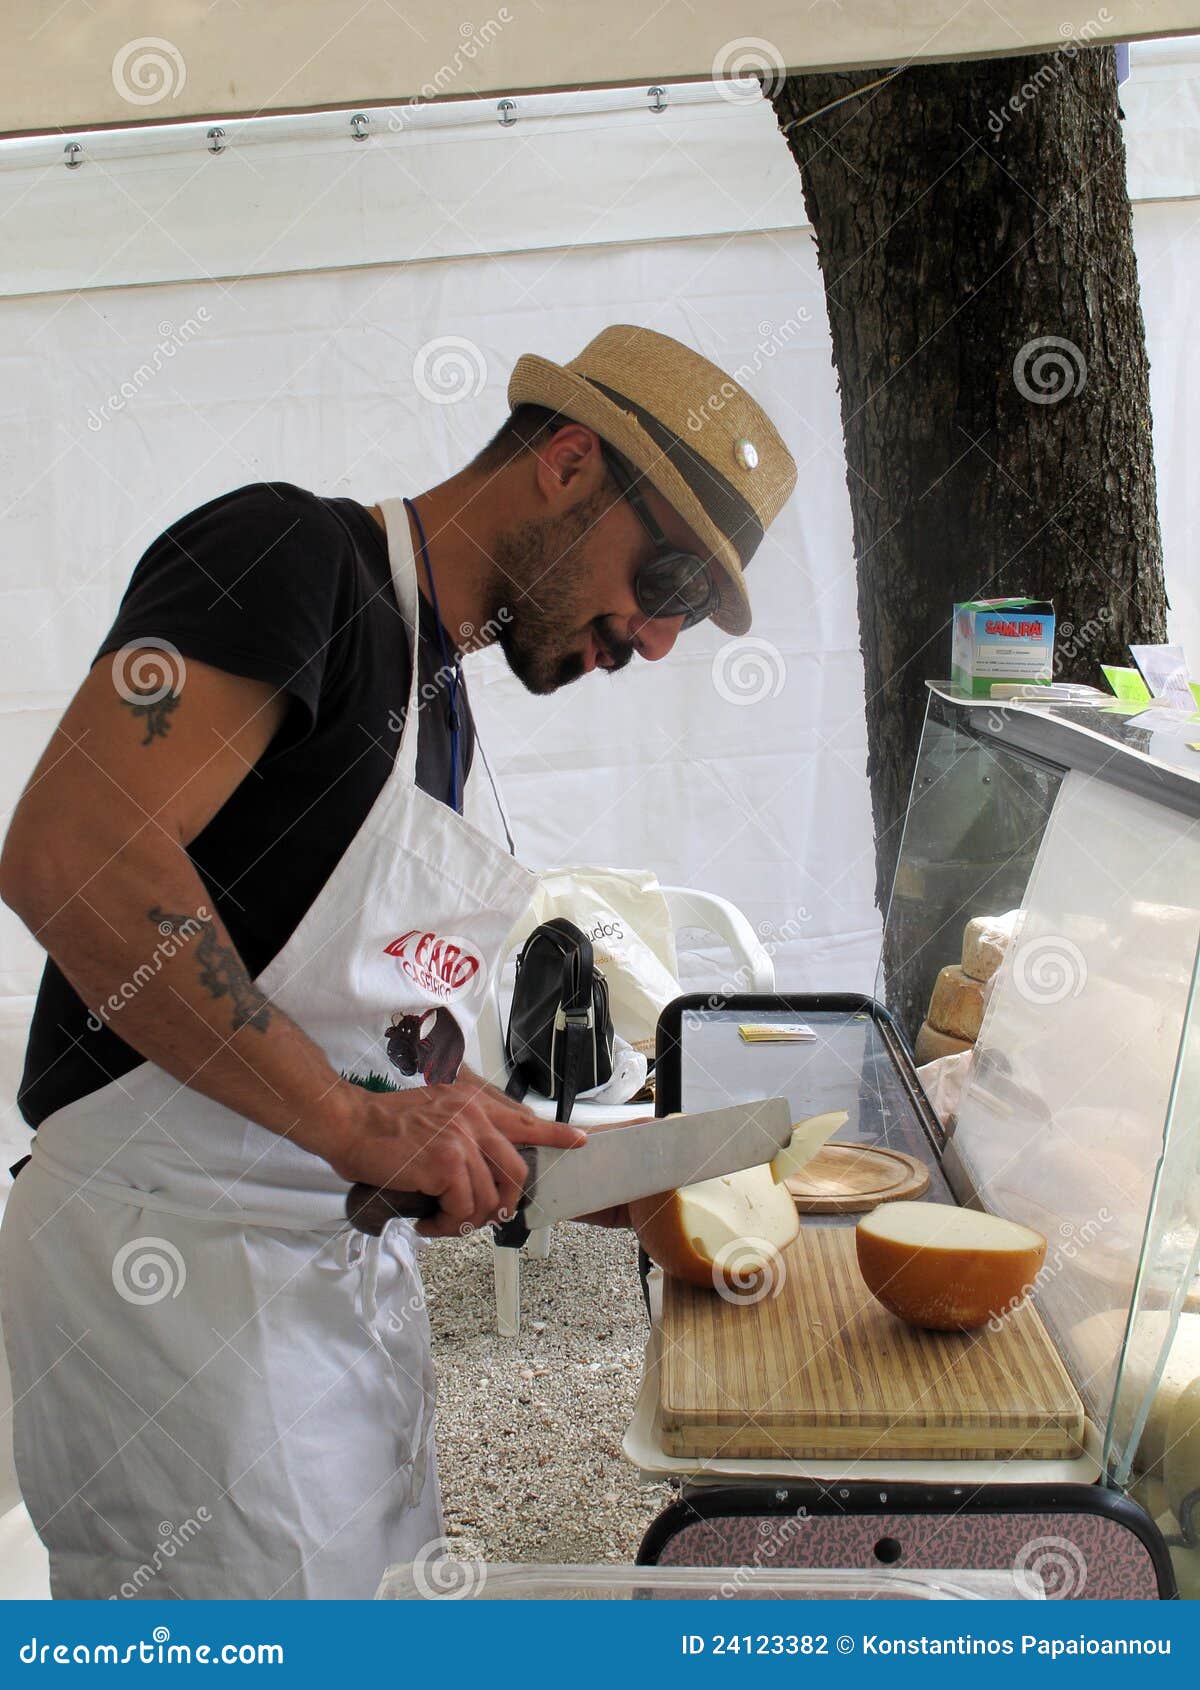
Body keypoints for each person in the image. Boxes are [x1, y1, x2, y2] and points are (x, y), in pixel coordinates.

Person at [0, 324, 797, 1599]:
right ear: (571, 463)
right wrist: (342, 1120)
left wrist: (428, 1104)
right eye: (672, 584)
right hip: (171, 1284)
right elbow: (73, 853)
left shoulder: (452, 708)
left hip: (328, 1288)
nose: (654, 641)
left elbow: (326, 996)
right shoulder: (288, 561)